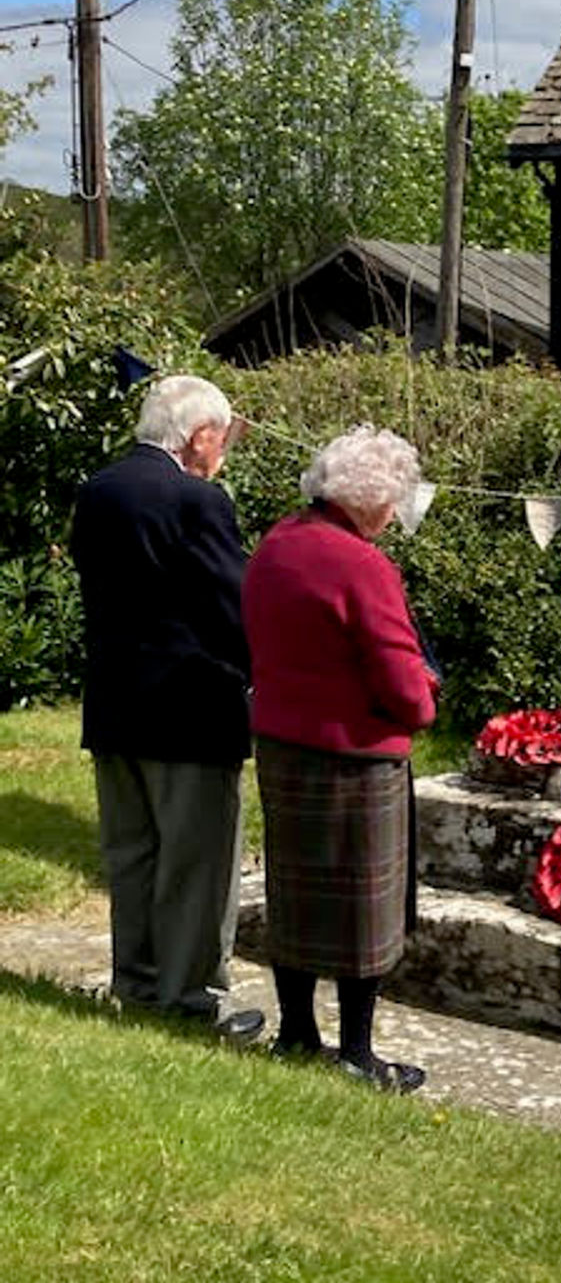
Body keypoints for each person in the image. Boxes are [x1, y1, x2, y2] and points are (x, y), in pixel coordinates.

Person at [241, 425, 438, 1092]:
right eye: (394, 501)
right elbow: (399, 675)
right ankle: (357, 1054)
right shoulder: (363, 564)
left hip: (282, 744)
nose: (395, 515)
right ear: (373, 499)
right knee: (364, 912)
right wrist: (424, 704)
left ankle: (296, 1033)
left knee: (294, 896)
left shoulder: (277, 543)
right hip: (355, 756)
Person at [69, 374, 263, 1039]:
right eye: (224, 437)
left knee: (133, 855)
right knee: (196, 864)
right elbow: (232, 604)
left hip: (115, 700)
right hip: (190, 705)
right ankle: (191, 1000)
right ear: (199, 435)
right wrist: (260, 671)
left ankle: (139, 985)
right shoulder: (197, 499)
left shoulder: (99, 489)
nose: (224, 451)